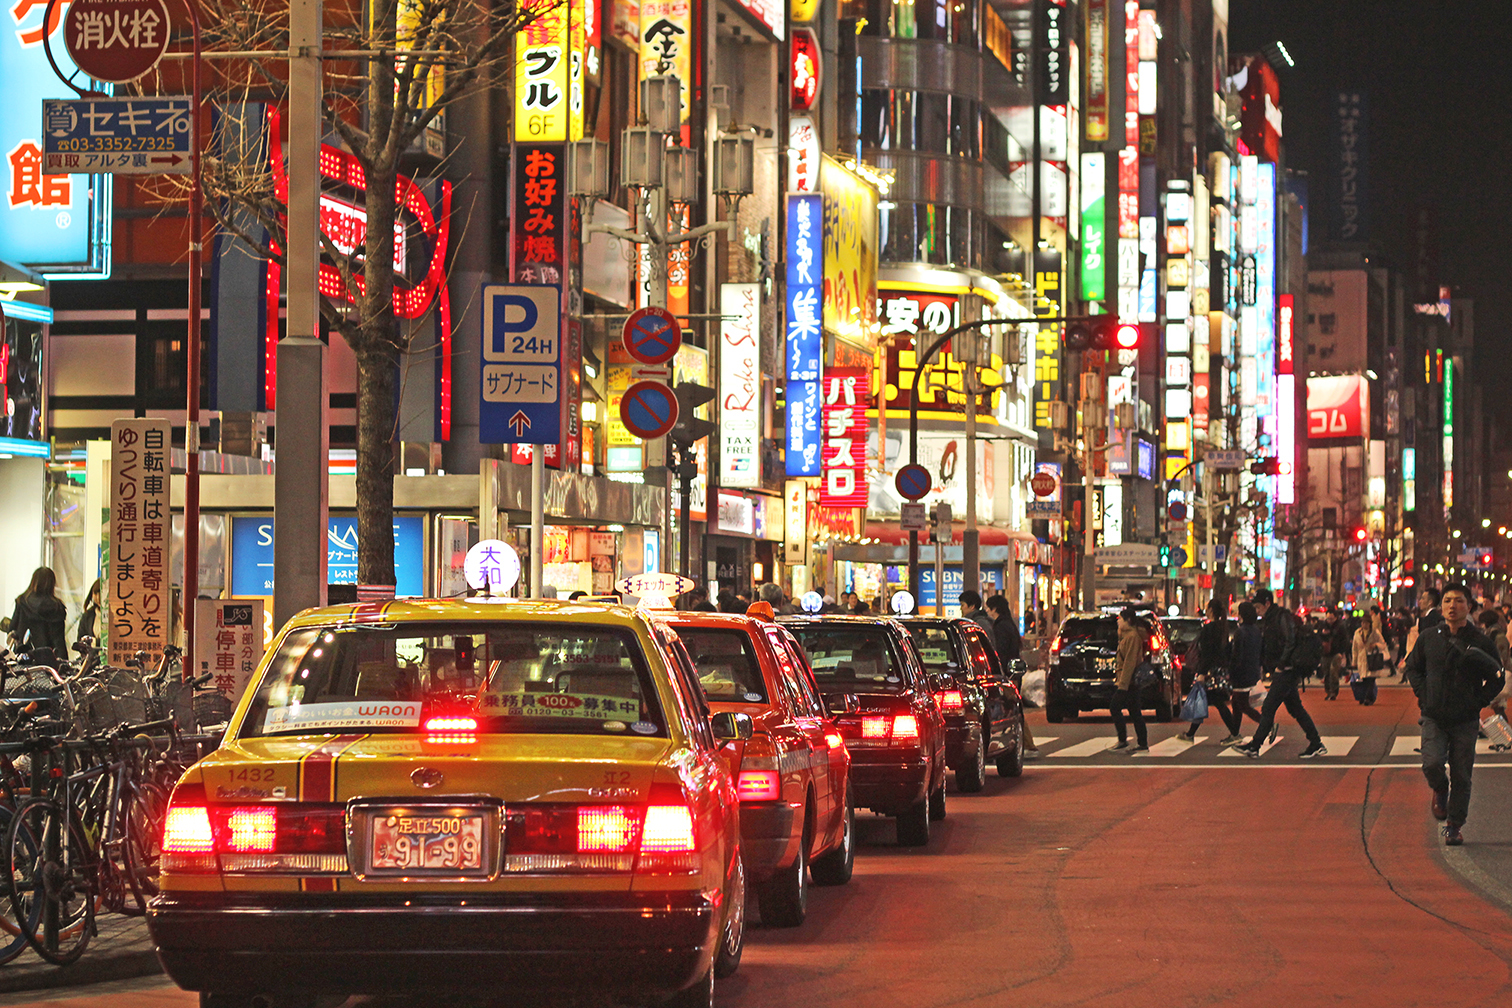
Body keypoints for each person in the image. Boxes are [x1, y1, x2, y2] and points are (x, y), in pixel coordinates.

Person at [1403, 582, 1506, 845]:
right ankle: (1439, 787)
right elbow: (1412, 667)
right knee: (1432, 763)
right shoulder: (1429, 637)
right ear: (1441, 606)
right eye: (1448, 601)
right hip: (1433, 714)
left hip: (1465, 718)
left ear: (1469, 606)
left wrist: (1477, 702)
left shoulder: (1481, 641)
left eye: (1459, 601)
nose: (1452, 606)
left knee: (1462, 774)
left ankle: (1454, 824)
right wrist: (1424, 694)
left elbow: (1497, 677)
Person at [1236, 589, 1327, 759]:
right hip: (1284, 670)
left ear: (1267, 603)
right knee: (1295, 708)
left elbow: (1290, 641)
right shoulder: (1270, 619)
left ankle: (1255, 746)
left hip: (1287, 670)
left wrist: (1280, 665)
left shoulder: (1281, 617)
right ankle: (1316, 743)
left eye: (1258, 607)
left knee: (1269, 706)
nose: (1257, 611)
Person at [1177, 598, 1241, 744]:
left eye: (1207, 608)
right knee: (1211, 701)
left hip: (1209, 672)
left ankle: (1235, 733)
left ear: (1211, 610)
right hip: (1218, 670)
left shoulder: (1209, 628)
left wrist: (1202, 673)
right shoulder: (1222, 628)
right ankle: (1191, 734)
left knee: (1212, 701)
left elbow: (1207, 653)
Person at [986, 595, 1038, 758]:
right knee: (1012, 708)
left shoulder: (1001, 626)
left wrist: (997, 672)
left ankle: (1026, 745)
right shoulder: (1009, 624)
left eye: (988, 607)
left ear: (994, 609)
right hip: (1012, 672)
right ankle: (1026, 745)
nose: (987, 611)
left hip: (1006, 674)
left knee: (1011, 709)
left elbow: (1000, 652)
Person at [1110, 607, 1150, 753]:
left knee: (1115, 707)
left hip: (1129, 682)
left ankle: (1123, 740)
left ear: (1128, 621)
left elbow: (1129, 662)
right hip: (1127, 681)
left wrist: (1123, 685)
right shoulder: (1126, 636)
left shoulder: (1132, 637)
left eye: (1120, 619)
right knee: (1134, 712)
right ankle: (1141, 742)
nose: (1118, 621)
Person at [7, 566, 67, 661]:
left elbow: (13, 629)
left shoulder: (22, 602)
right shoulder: (57, 607)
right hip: (47, 660)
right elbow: (59, 641)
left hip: (23, 657)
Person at [1229, 601, 1266, 730]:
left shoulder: (1241, 631)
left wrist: (1232, 671)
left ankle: (1267, 725)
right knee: (1236, 703)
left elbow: (1237, 654)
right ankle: (1235, 733)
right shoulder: (1256, 630)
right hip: (1252, 670)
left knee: (1243, 704)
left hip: (1241, 673)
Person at [1351, 606, 1389, 706]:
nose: (1364, 625)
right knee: (1364, 679)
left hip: (1372, 659)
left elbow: (1383, 644)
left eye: (1366, 623)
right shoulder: (1357, 633)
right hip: (1361, 659)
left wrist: (1375, 645)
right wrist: (1354, 661)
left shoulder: (1375, 633)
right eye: (1363, 623)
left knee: (1370, 680)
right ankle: (1366, 697)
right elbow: (1354, 648)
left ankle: (1368, 698)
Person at [1324, 607, 1352, 700]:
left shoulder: (1340, 626)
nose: (1329, 621)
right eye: (1328, 619)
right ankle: (1328, 691)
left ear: (1336, 617)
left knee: (1333, 672)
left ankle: (1333, 692)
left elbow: (1345, 640)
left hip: (1336, 652)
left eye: (1331, 619)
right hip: (1325, 653)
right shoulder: (1323, 625)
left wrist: (1342, 652)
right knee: (1327, 673)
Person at [77, 578, 103, 643]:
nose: (98, 597)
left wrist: (96, 642)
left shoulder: (117, 615)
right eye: (95, 593)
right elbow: (80, 639)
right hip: (92, 653)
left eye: (101, 593)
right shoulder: (87, 615)